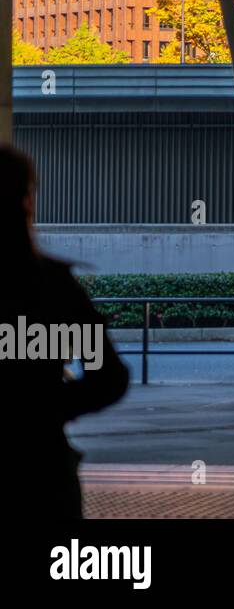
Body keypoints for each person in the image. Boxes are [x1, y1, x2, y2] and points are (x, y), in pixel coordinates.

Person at [0, 145, 129, 518]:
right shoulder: (53, 286)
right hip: (41, 471)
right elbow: (110, 377)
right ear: (27, 201)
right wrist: (47, 406)